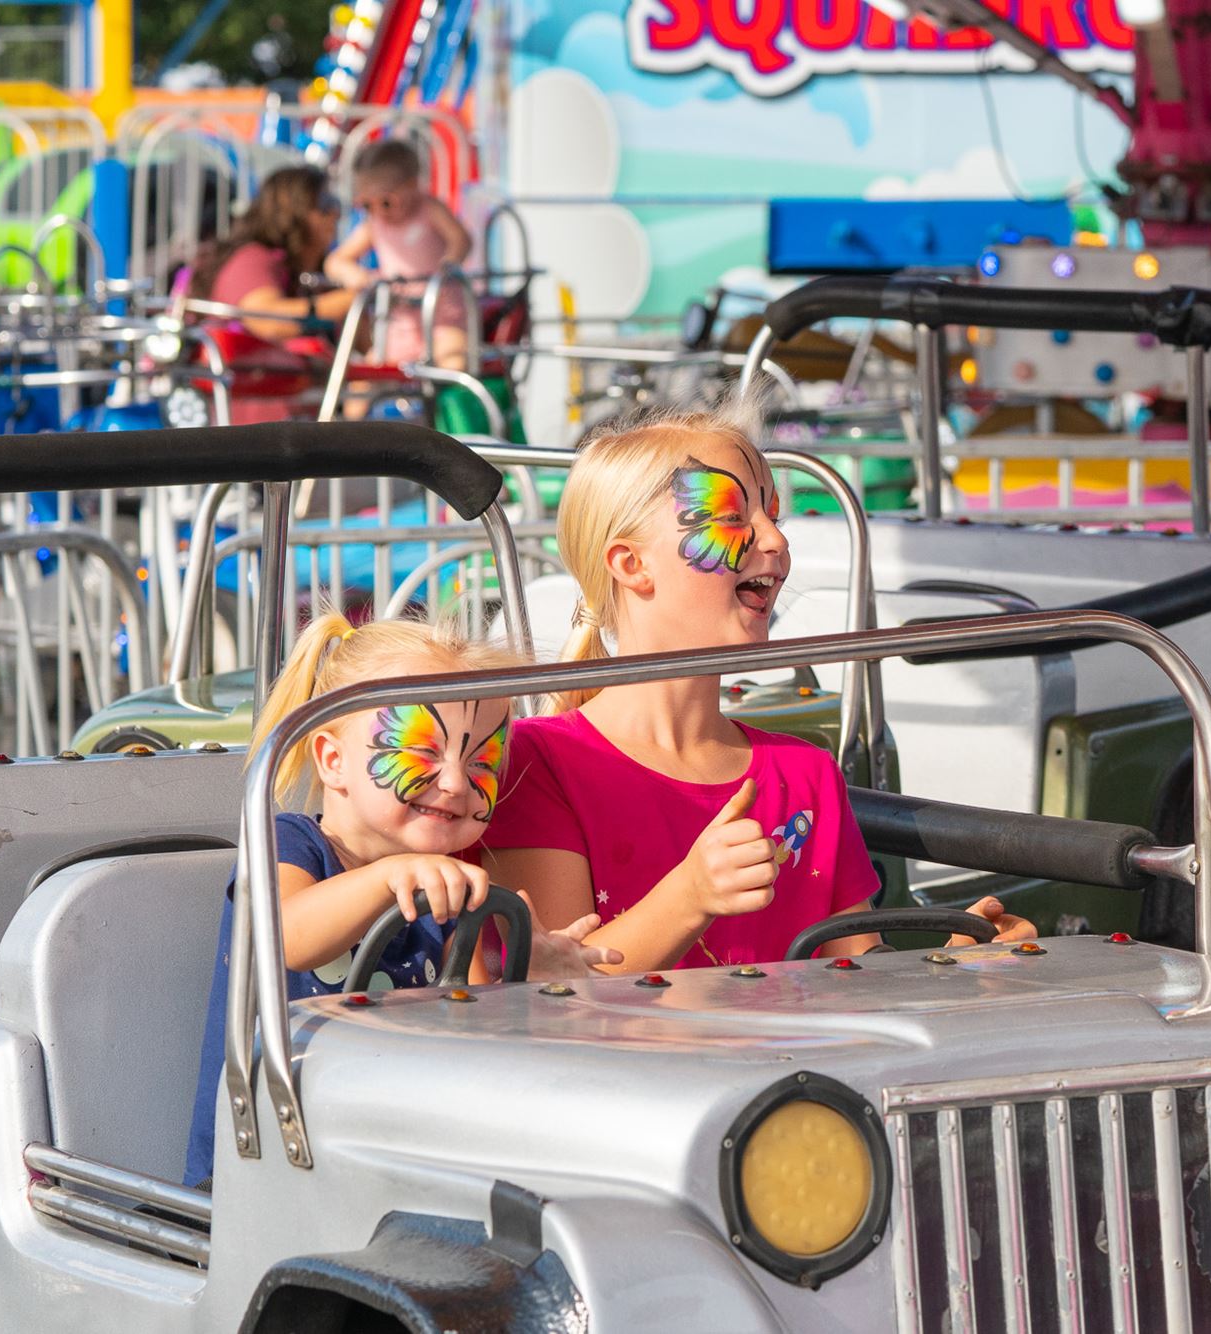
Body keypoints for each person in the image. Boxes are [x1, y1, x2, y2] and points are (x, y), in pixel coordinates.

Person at [481, 404, 1033, 972]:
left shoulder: (806, 772)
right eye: (732, 515)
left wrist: (957, 961)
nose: (774, 539)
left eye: (771, 514)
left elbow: (862, 978)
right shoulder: (537, 763)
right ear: (631, 564)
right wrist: (688, 897)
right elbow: (551, 991)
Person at [184, 615, 619, 1187]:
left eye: (482, 761)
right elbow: (286, 936)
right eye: (423, 752)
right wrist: (389, 877)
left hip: (388, 1159)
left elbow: (482, 1041)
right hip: (264, 1171)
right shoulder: (288, 842)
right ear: (333, 760)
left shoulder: (449, 891)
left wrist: (534, 984)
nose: (458, 783)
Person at [325, 139, 474, 369]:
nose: (377, 211)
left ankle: (441, 404)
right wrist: (354, 274)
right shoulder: (374, 225)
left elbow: (461, 239)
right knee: (365, 379)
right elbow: (335, 261)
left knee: (453, 363)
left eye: (386, 202)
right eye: (366, 204)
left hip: (442, 317)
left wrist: (448, 265)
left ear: (413, 185)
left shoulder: (429, 210)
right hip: (399, 324)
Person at [186, 164, 359, 345]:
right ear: (292, 210)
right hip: (237, 371)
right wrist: (347, 301)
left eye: (336, 202)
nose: (335, 213)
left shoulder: (307, 272)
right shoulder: (251, 258)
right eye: (325, 204)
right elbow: (268, 321)